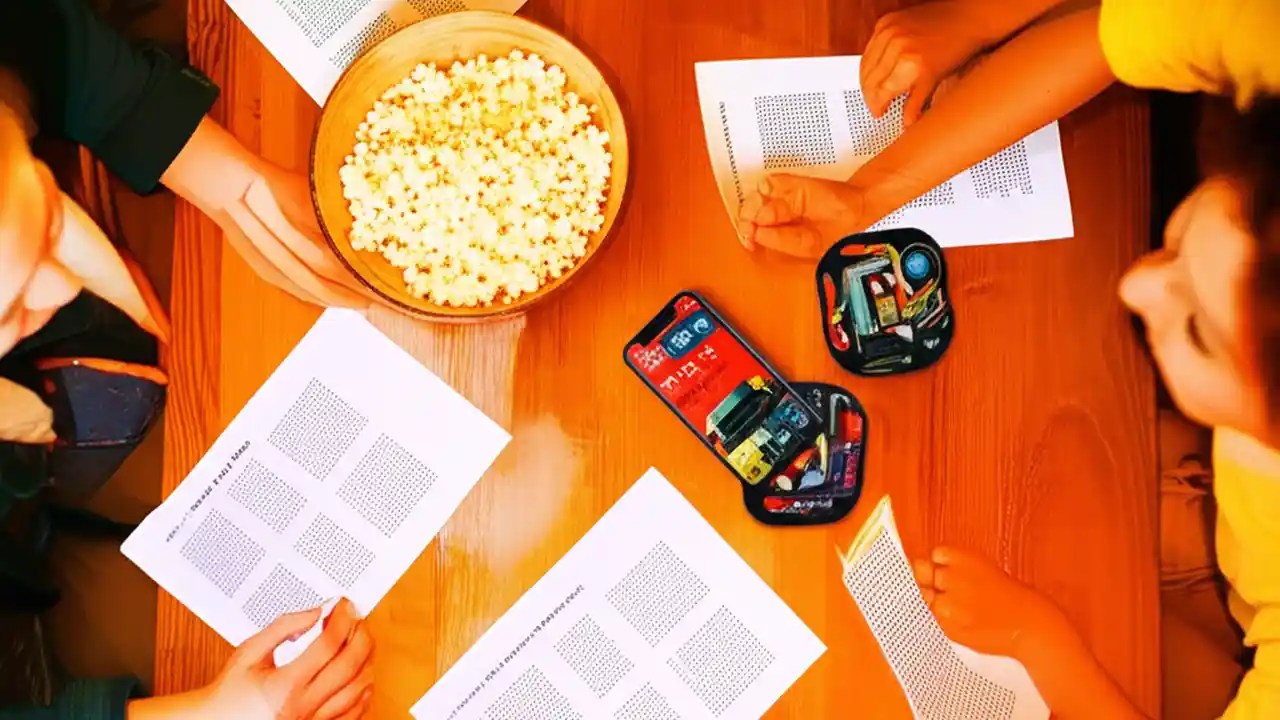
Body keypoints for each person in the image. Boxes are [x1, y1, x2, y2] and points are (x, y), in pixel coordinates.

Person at [736, 1, 1279, 718]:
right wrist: (871, 192)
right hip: (1223, 514)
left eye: (1200, 327)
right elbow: (1111, 32)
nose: (1136, 285)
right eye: (1183, 243)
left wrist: (1038, 639)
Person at [1, 1, 373, 717]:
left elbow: (39, 37)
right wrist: (213, 714)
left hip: (74, 410)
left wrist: (224, 179)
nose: (62, 280)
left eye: (44, 212)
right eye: (9, 304)